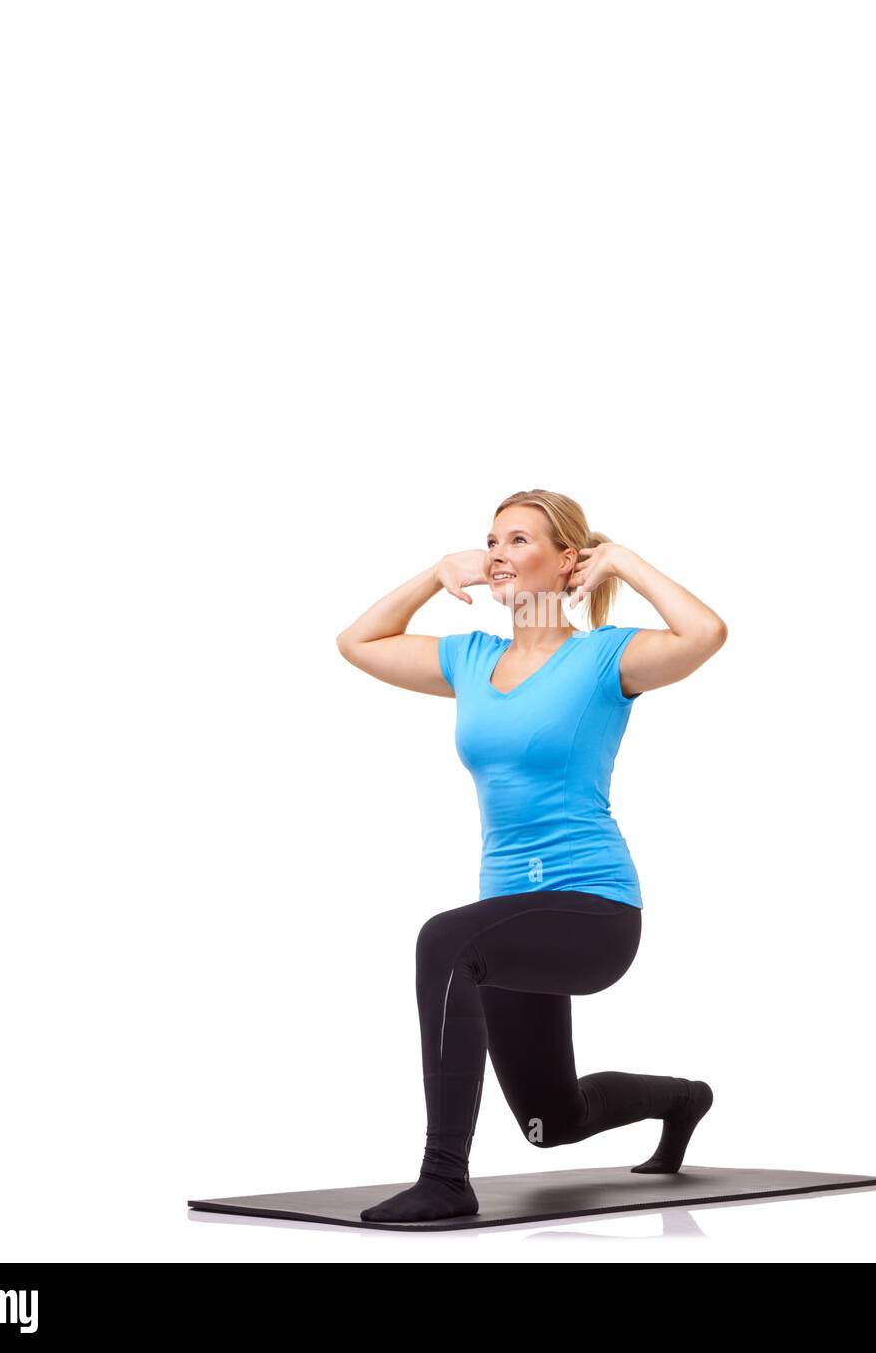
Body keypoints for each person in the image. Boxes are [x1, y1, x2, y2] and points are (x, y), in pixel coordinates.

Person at [336, 489, 728, 1221]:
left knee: (442, 940)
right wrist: (432, 574)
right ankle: (684, 1099)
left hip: (594, 910)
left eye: (519, 540)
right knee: (553, 1121)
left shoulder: (606, 657)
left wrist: (627, 563)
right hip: (506, 924)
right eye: (491, 541)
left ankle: (444, 1178)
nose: (497, 553)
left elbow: (706, 632)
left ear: (568, 561)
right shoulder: (471, 659)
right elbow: (357, 644)